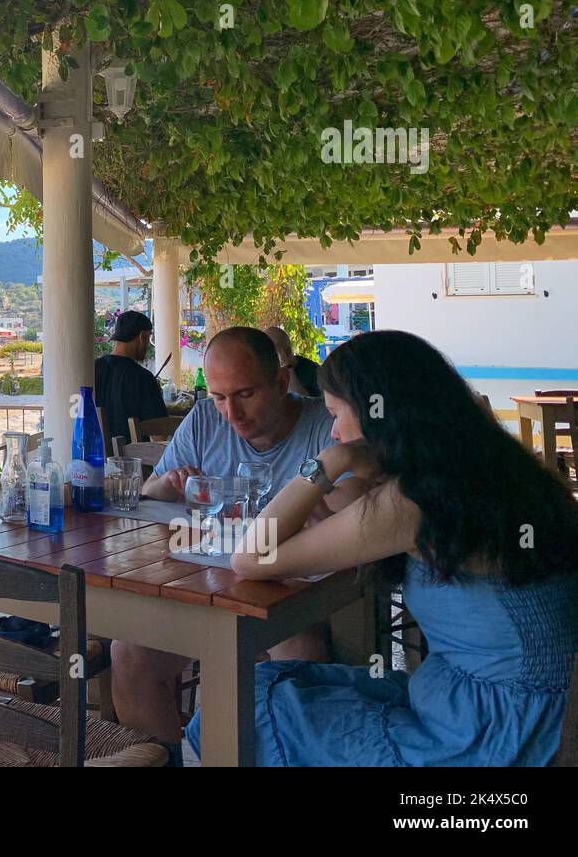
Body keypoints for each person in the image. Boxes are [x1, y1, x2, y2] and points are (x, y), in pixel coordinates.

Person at [185, 330, 578, 766]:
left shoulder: (411, 502)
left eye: (336, 415)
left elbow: (250, 558)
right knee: (264, 682)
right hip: (528, 708)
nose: (333, 431)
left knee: (242, 704)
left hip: (488, 733)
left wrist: (332, 462)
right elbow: (330, 521)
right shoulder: (488, 468)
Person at [112, 326, 369, 764]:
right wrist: (167, 487)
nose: (231, 412)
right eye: (218, 396)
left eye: (245, 394)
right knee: (129, 651)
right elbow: (152, 490)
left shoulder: (327, 428)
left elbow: (353, 512)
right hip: (208, 590)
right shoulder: (206, 419)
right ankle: (175, 761)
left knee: (293, 658)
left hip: (290, 598)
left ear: (282, 382)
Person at [93, 310, 167, 448]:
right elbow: (159, 436)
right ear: (141, 337)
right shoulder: (143, 378)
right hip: (133, 464)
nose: (147, 346)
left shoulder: (92, 369)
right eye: (149, 338)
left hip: (95, 459)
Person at [264, 325, 321, 398]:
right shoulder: (266, 372)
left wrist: (287, 366)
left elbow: (302, 404)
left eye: (272, 350)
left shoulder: (313, 371)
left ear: (288, 351)